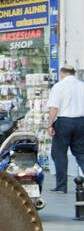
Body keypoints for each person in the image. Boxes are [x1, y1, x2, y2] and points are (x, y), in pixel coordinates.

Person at [47, 64, 84, 192]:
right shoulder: (82, 85)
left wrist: (50, 124)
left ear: (62, 73)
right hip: (81, 122)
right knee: (81, 154)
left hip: (64, 122)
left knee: (60, 154)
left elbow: (54, 108)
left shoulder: (59, 86)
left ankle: (61, 186)